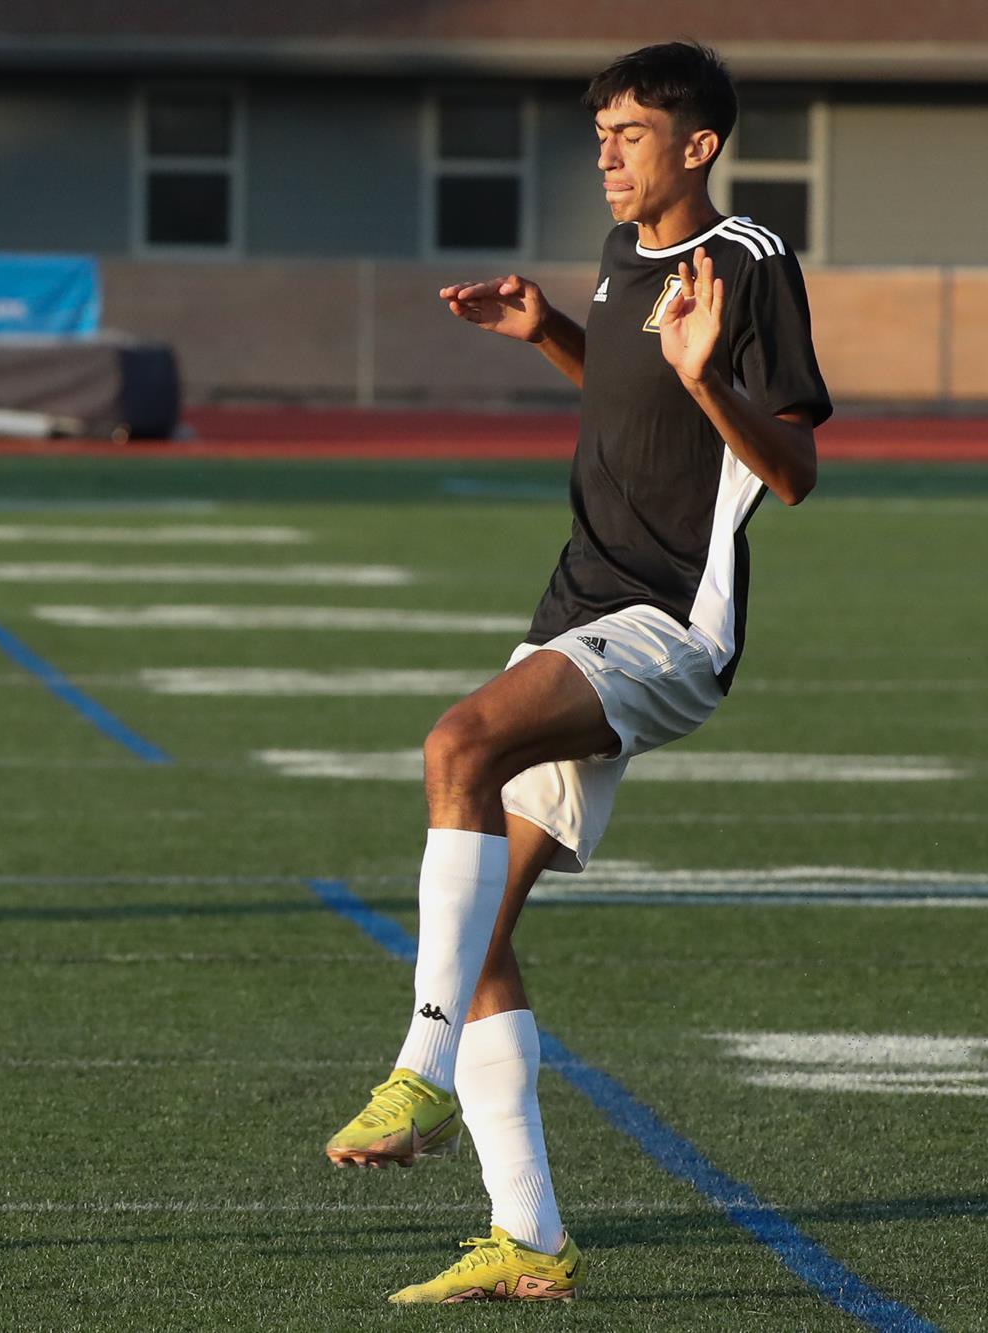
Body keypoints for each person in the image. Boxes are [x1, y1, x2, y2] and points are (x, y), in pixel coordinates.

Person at [323, 42, 829, 1303]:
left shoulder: (749, 263)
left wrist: (708, 374)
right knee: (479, 921)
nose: (603, 150)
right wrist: (547, 327)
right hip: (574, 612)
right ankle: (528, 1239)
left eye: (628, 131)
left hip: (667, 625)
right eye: (598, 129)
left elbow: (791, 471)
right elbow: (627, 407)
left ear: (696, 144)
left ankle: (419, 1068)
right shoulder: (614, 260)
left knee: (454, 743)